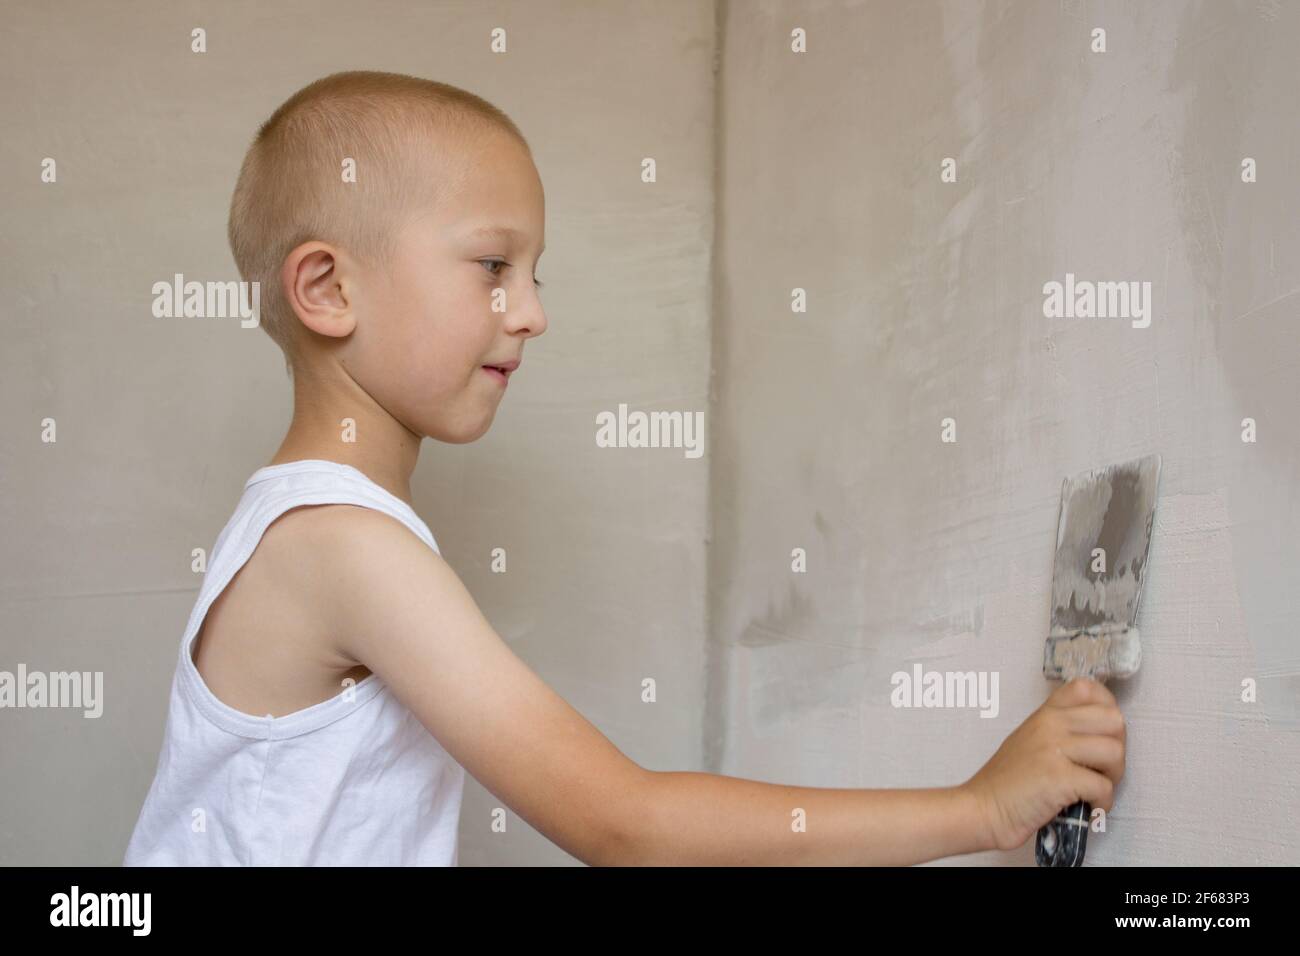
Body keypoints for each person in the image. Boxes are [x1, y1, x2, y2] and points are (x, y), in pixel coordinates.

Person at [124, 70, 1125, 866]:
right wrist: (976, 807)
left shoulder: (312, 531)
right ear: (329, 288)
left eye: (535, 272)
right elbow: (624, 823)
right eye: (492, 266)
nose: (532, 310)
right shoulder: (340, 545)